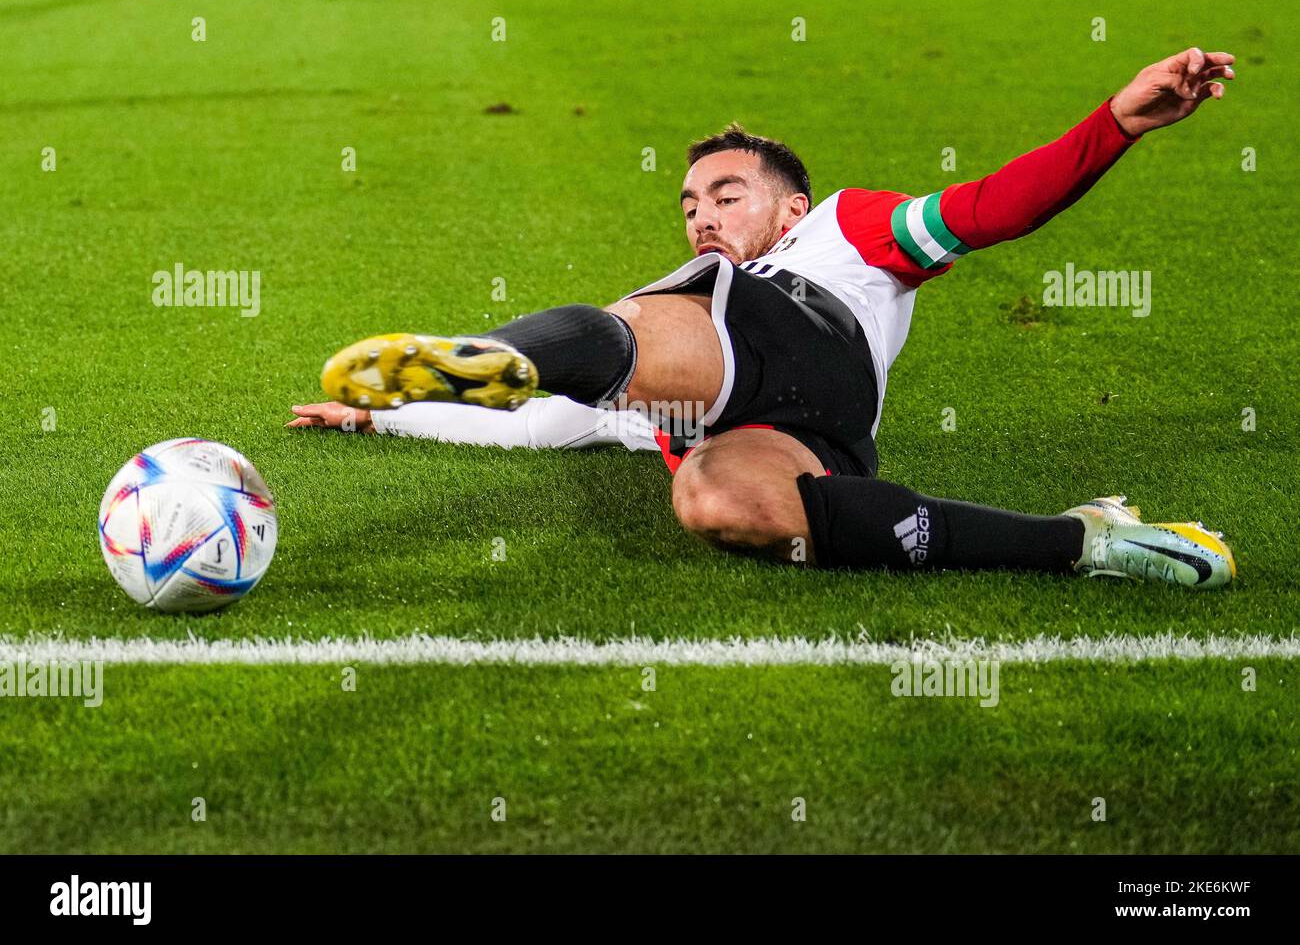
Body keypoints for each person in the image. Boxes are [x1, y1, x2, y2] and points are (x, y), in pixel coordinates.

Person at [302, 48, 1238, 588]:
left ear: (788, 208)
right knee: (717, 502)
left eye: (727, 195)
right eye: (689, 203)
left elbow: (994, 207)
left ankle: (494, 349)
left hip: (800, 335)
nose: (703, 215)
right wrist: (383, 413)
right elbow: (539, 421)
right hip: (787, 432)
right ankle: (1084, 539)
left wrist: (1115, 120)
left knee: (644, 326)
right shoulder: (680, 310)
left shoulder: (842, 227)